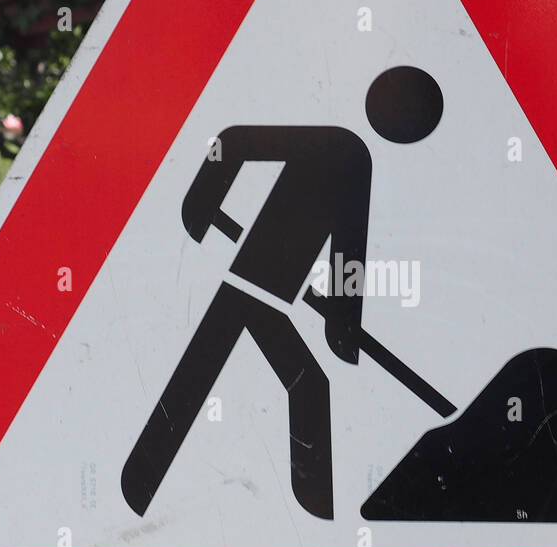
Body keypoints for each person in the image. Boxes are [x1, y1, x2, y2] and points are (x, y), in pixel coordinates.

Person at [121, 66, 443, 520]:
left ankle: (311, 510)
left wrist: (342, 323)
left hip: (273, 290)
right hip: (251, 279)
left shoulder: (352, 156)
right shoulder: (339, 146)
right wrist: (201, 201)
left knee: (280, 377)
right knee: (275, 377)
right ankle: (140, 482)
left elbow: (348, 252)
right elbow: (233, 143)